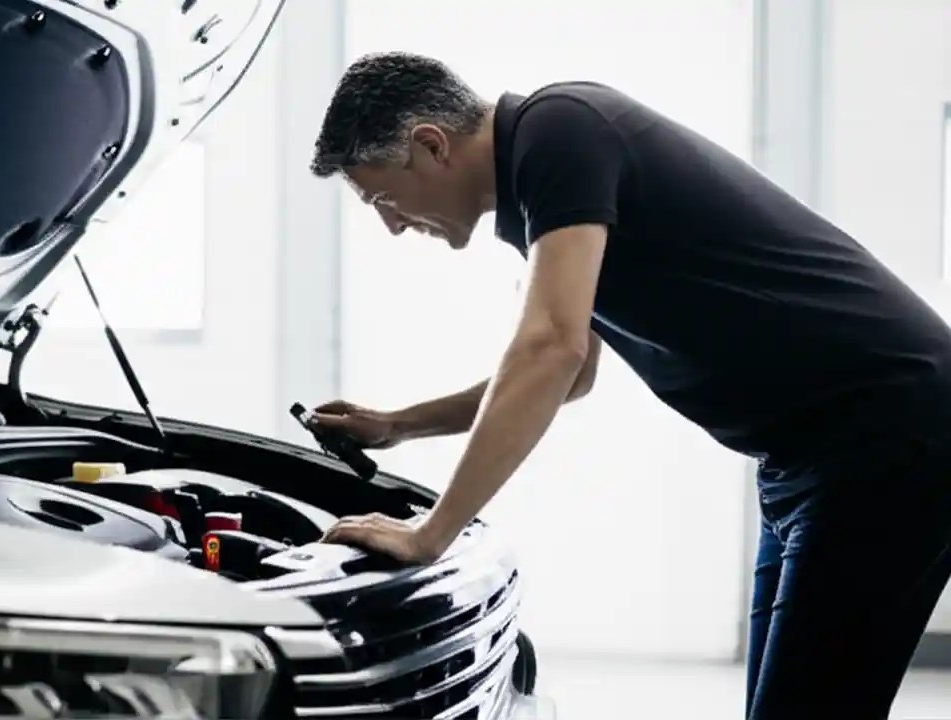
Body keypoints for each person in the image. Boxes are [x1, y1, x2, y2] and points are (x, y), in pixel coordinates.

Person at [306, 51, 951, 719]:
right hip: (814, 457)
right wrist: (397, 425)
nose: (392, 225)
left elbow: (552, 349)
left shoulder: (559, 130)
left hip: (887, 428)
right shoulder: (544, 181)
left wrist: (430, 534)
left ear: (430, 144)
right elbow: (572, 372)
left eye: (382, 198)